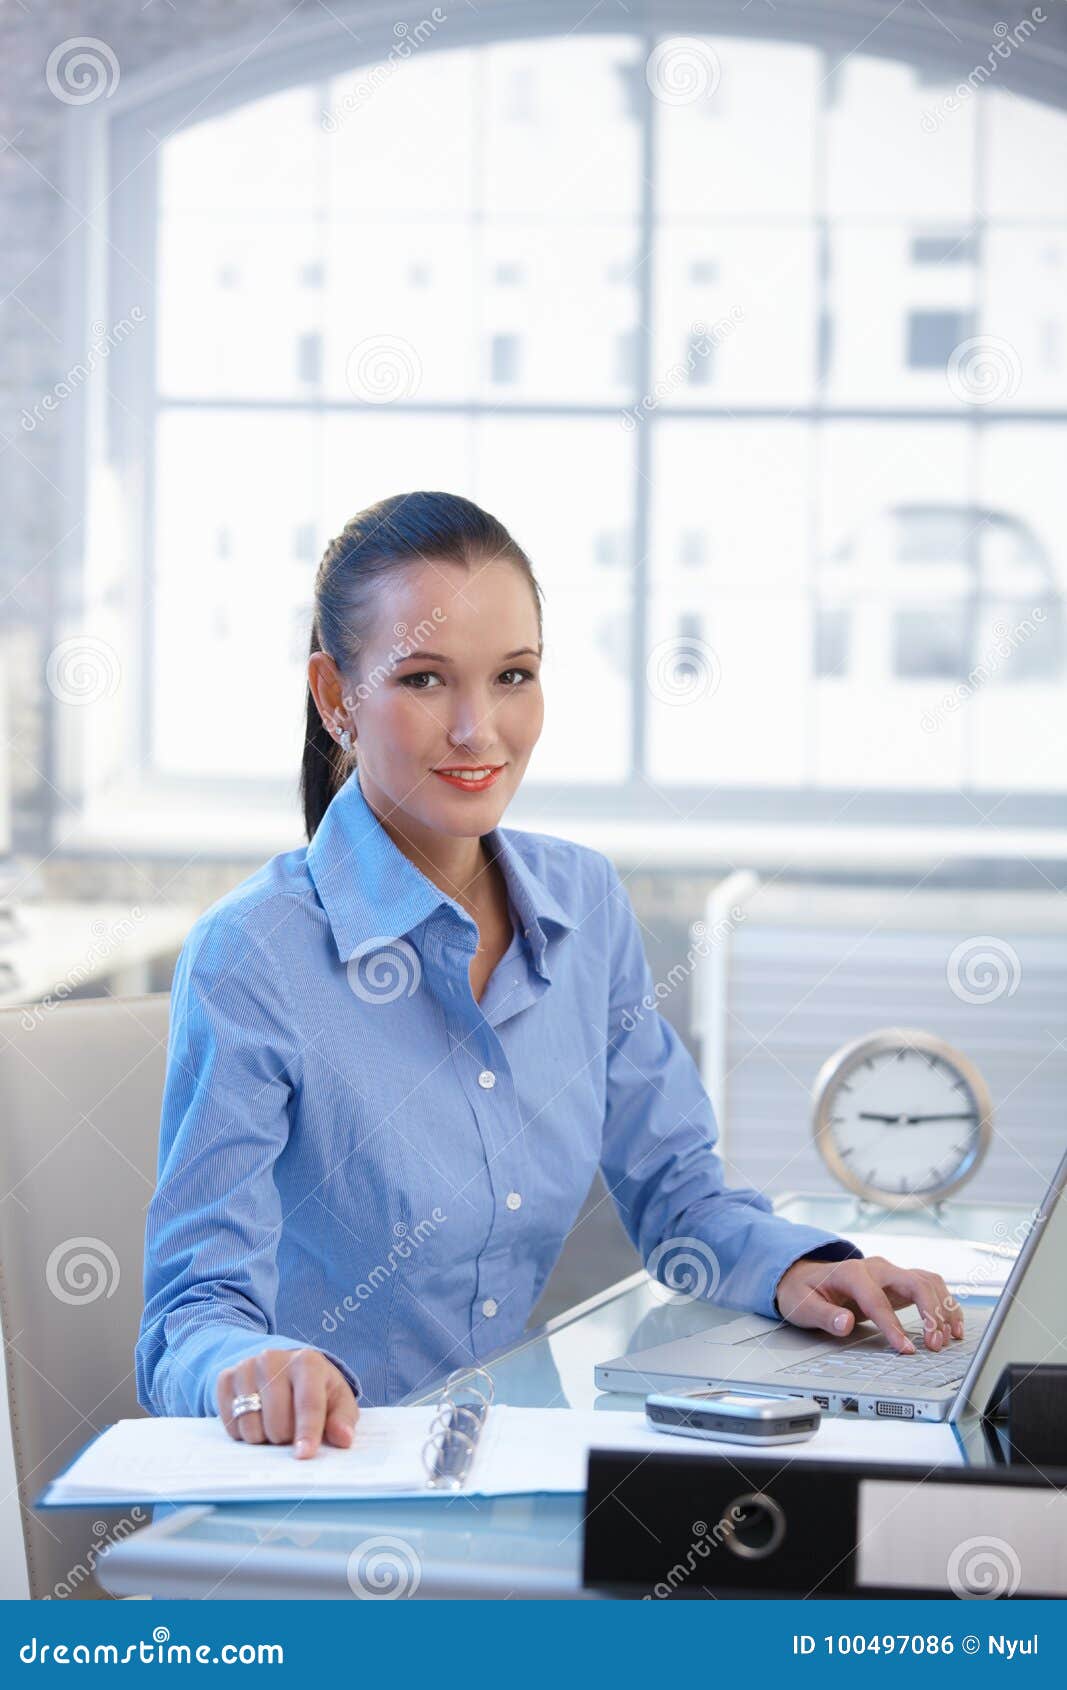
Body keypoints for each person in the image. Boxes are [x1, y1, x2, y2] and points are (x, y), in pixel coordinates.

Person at [135, 490, 964, 1460]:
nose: (476, 730)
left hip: (499, 1462)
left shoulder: (584, 906)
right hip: (313, 1489)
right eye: (424, 679)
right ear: (335, 695)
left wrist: (805, 1269)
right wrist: (253, 1365)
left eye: (513, 675)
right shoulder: (255, 955)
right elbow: (189, 1318)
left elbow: (678, 1198)